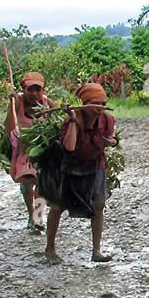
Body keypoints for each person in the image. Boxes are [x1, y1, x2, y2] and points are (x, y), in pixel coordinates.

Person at [39, 82, 115, 264]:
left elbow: (110, 139)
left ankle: (96, 251)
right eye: (97, 104)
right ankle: (50, 248)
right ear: (85, 104)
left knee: (98, 204)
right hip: (70, 167)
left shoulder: (107, 120)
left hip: (95, 165)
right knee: (57, 206)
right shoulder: (74, 120)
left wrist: (110, 142)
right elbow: (70, 146)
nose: (101, 108)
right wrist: (72, 120)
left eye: (104, 104)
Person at [4, 71, 52, 231]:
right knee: (26, 187)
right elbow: (8, 128)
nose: (34, 93)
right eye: (30, 89)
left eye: (38, 89)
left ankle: (38, 218)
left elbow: (57, 125)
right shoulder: (17, 102)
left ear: (43, 90)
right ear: (23, 89)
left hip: (42, 150)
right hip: (23, 150)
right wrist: (12, 106)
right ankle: (31, 214)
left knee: (41, 184)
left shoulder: (47, 104)